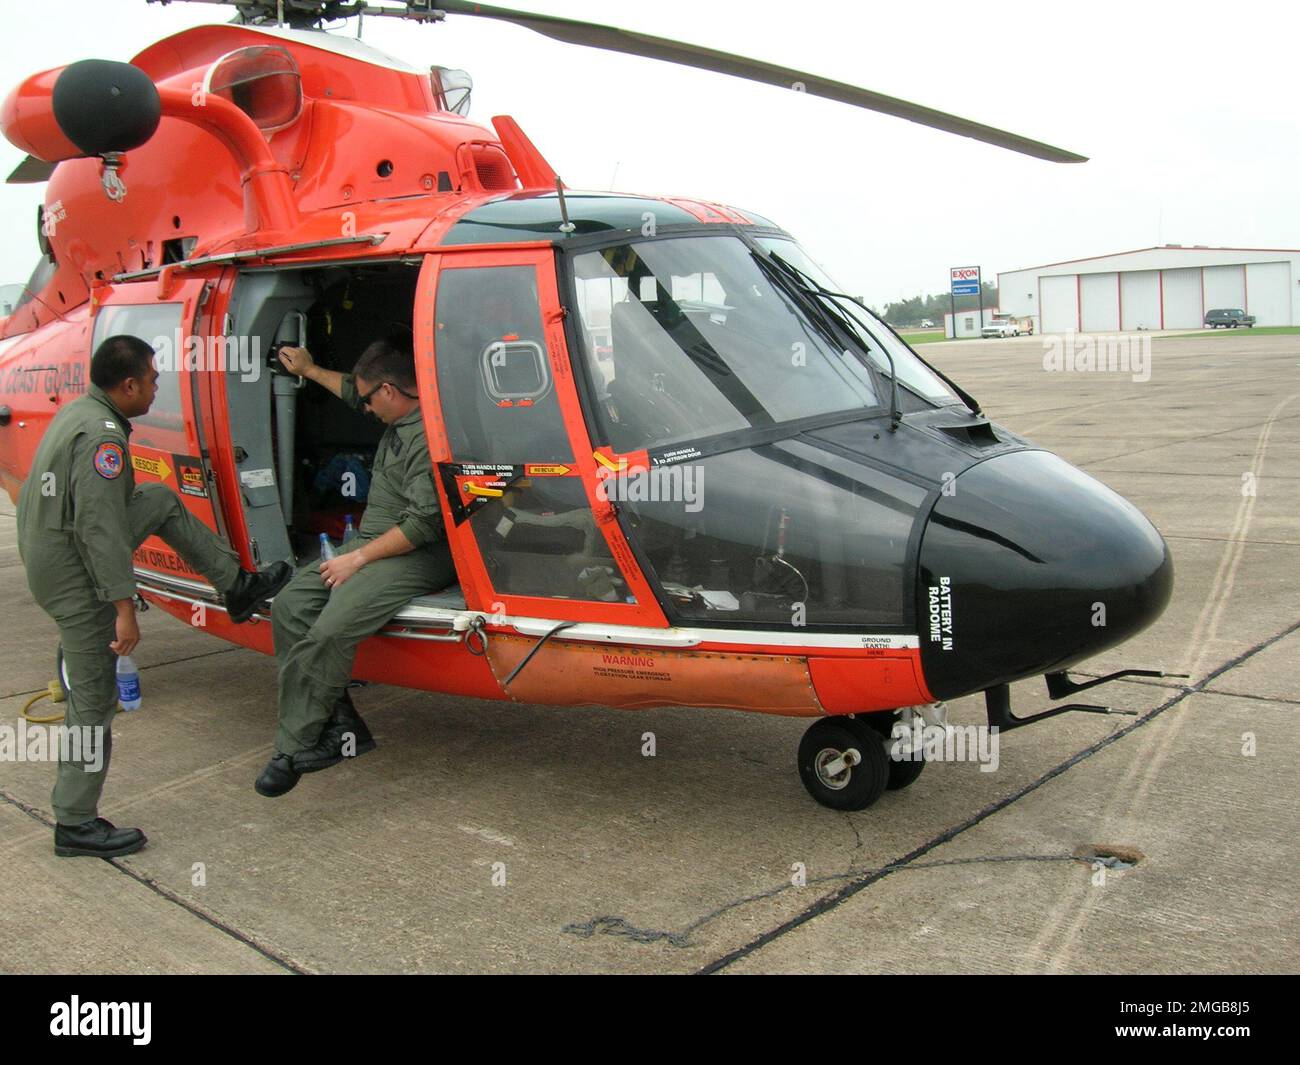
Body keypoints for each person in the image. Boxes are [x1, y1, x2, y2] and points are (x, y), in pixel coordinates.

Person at [16, 335, 293, 858]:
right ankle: (75, 822)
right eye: (152, 378)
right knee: (94, 702)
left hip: (52, 553)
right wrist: (124, 609)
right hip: (75, 574)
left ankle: (235, 586)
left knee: (160, 498)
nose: (156, 386)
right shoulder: (102, 438)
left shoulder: (81, 411)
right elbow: (99, 530)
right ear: (127, 385)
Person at [255, 339, 455, 797]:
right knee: (290, 605)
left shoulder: (429, 436)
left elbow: (425, 525)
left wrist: (358, 558)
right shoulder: (398, 411)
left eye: (369, 400)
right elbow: (350, 389)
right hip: (373, 543)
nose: (362, 408)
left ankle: (296, 745)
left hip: (417, 553)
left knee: (330, 630)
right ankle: (340, 723)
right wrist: (308, 369)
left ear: (389, 391)